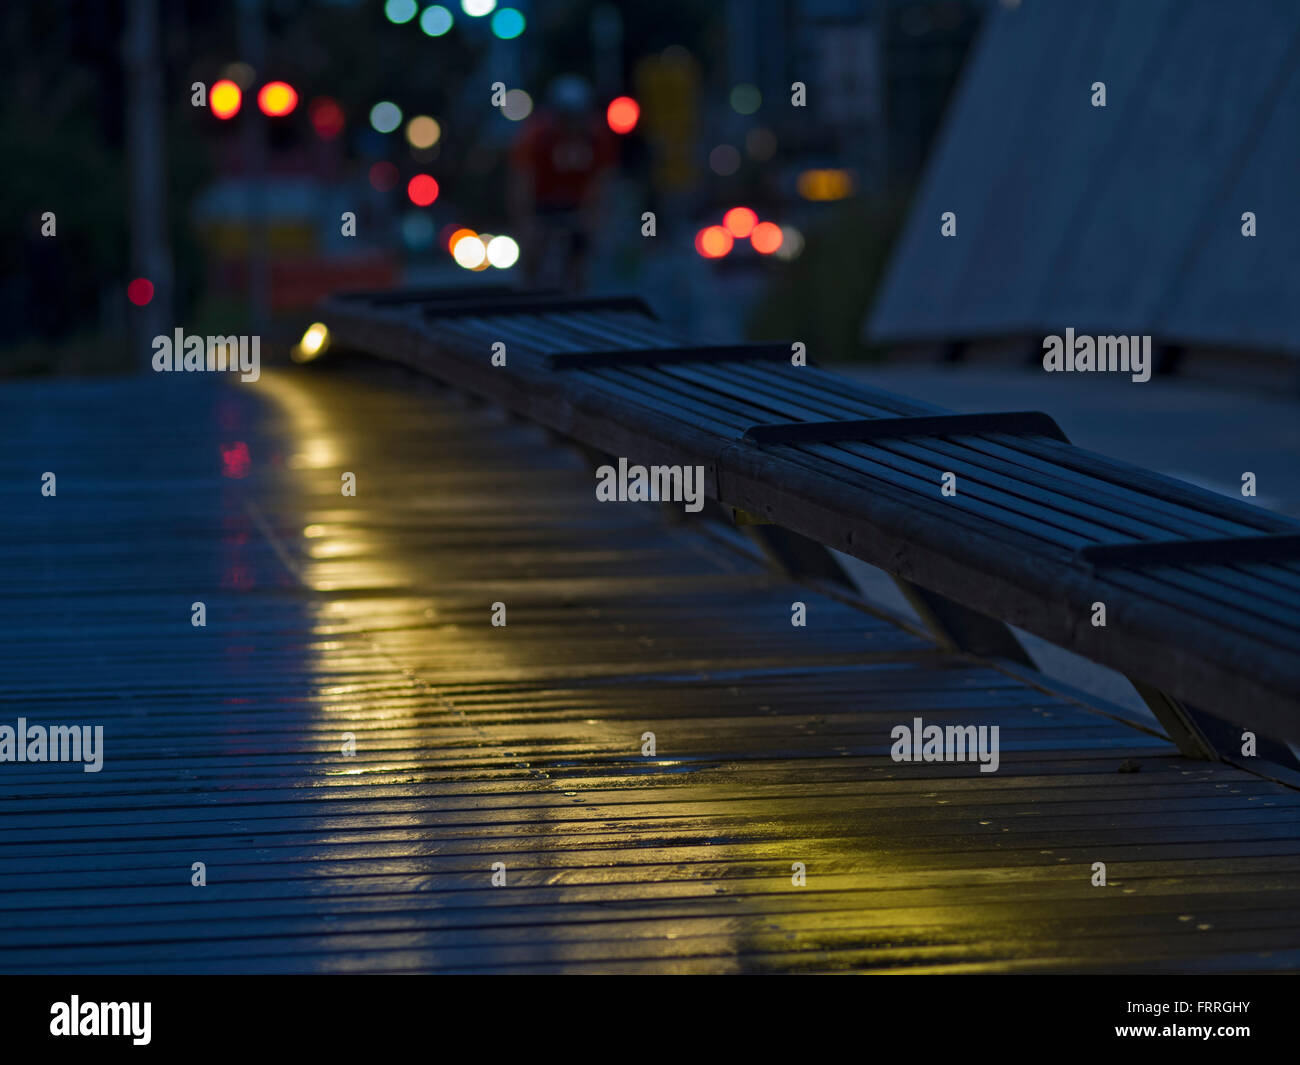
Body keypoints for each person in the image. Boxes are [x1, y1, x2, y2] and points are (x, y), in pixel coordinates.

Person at [509, 75, 617, 292]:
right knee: (533, 250)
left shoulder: (597, 137)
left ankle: (577, 297)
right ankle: (529, 292)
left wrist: (595, 216)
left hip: (576, 203)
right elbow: (523, 179)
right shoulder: (537, 135)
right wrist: (525, 219)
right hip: (543, 200)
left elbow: (601, 180)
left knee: (581, 257)